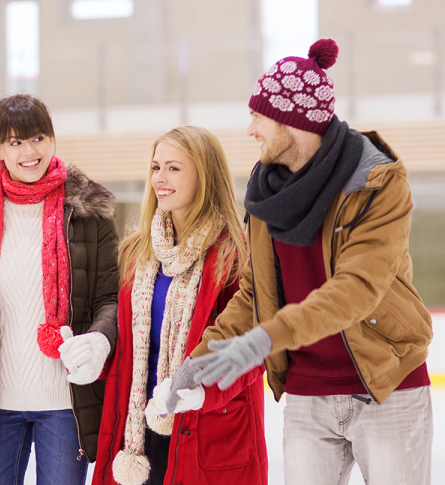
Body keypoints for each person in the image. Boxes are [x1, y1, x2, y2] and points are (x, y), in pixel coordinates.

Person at [170, 39, 433, 485]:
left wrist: (263, 340)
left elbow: (356, 290)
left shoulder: (377, 183)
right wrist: (200, 359)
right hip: (308, 396)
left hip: (386, 385)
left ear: (293, 121)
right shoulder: (264, 191)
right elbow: (256, 293)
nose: (250, 129)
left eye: (258, 117)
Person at [0, 94, 119, 485]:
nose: (28, 151)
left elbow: (109, 299)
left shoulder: (89, 210)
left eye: (37, 138)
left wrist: (99, 341)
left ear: (52, 139)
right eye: (15, 142)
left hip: (65, 404)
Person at [93, 126, 267, 485]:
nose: (160, 178)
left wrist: (205, 393)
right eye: (156, 167)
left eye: (173, 168)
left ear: (204, 176)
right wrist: (96, 351)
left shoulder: (235, 255)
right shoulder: (136, 252)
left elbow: (256, 349)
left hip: (205, 426)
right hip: (139, 430)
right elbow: (131, 346)